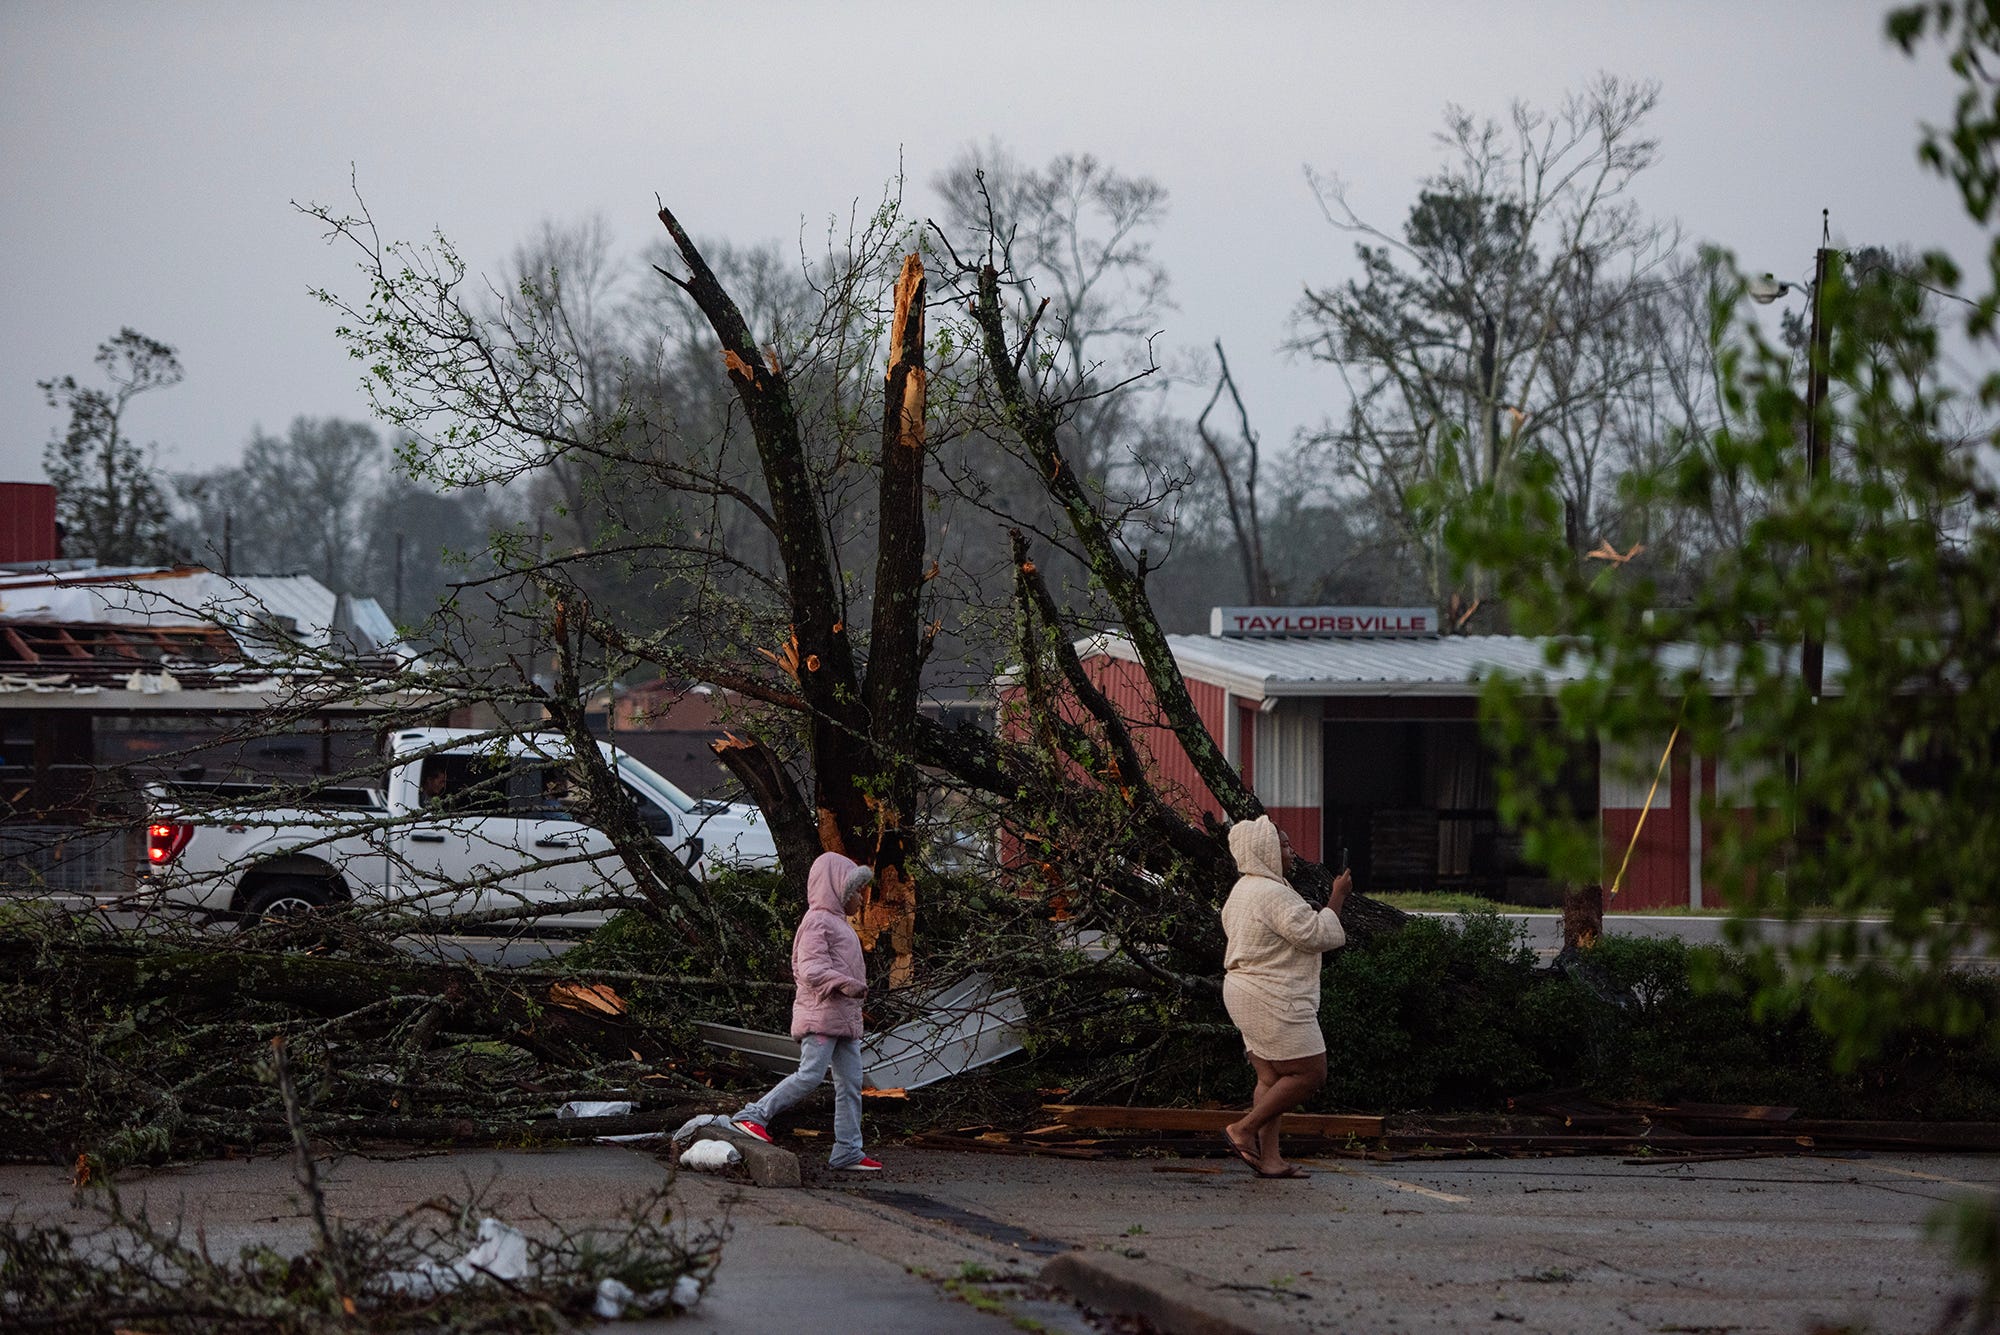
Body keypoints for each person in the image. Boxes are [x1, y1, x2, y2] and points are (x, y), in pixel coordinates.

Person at [730, 850, 883, 1172]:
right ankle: (753, 1114)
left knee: (851, 1084)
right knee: (810, 1074)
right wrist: (846, 984)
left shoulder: (839, 925)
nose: (860, 898)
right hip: (823, 1020)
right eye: (855, 890)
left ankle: (848, 1150)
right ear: (837, 889)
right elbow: (811, 969)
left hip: (844, 1022)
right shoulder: (817, 922)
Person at [1219, 815, 1351, 1179]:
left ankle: (1271, 1159)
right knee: (1311, 1072)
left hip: (1244, 990)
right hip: (1270, 994)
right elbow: (1315, 935)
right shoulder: (1272, 893)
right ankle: (1242, 1130)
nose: (1291, 852)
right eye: (1284, 845)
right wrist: (1337, 897)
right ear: (1264, 851)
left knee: (1271, 1078)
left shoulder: (1243, 889)